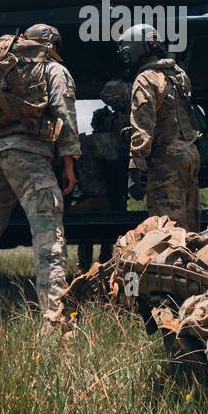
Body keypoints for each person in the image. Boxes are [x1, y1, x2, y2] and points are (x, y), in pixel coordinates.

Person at [0, 23, 79, 326]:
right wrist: (69, 165)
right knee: (49, 237)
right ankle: (55, 320)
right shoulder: (51, 68)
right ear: (53, 44)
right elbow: (64, 114)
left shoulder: (8, 67)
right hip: (30, 158)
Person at [117, 24, 201, 233]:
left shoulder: (145, 79)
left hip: (167, 160)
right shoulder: (179, 74)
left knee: (167, 230)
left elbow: (143, 127)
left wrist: (135, 169)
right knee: (190, 227)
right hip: (190, 154)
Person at [72, 79, 131, 271]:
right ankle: (100, 266)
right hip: (111, 199)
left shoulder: (97, 142)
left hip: (103, 199)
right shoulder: (110, 141)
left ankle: (90, 267)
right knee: (97, 237)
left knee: (90, 234)